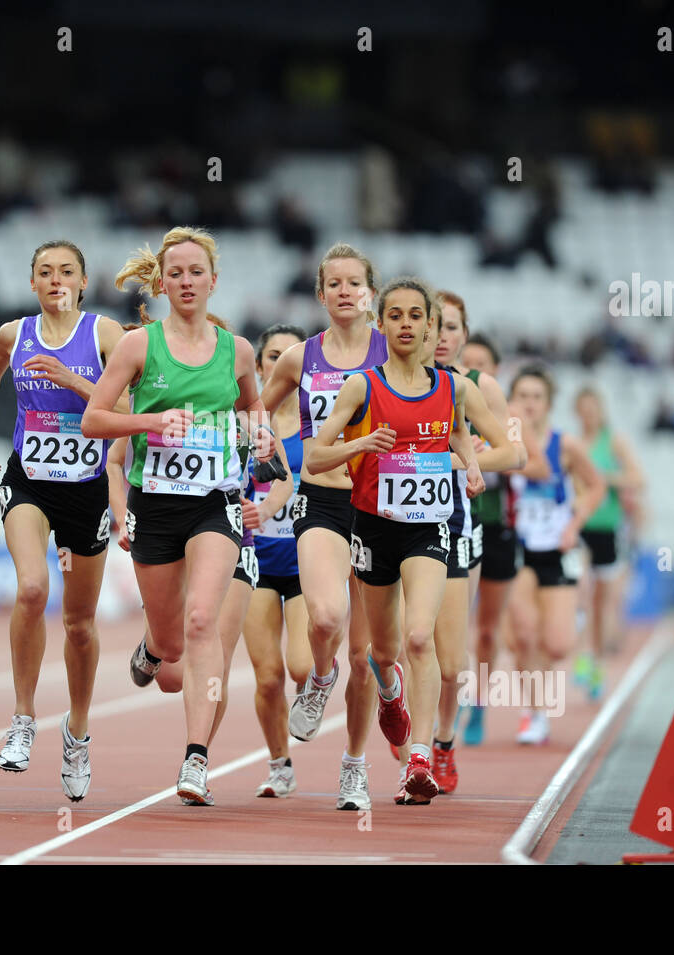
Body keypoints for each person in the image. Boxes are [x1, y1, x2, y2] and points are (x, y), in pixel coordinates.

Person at [307, 277, 520, 803]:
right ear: (382, 325)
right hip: (373, 527)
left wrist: (466, 462)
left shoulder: (456, 388)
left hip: (430, 527)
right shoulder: (362, 386)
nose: (405, 324)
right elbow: (314, 457)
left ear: (430, 326)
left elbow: (508, 451)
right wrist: (362, 443)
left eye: (415, 316)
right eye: (395, 315)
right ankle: (390, 692)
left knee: (420, 638)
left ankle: (419, 758)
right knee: (384, 650)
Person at [81, 226, 273, 805]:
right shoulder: (139, 347)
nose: (187, 282)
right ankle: (150, 645)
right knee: (170, 645)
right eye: (177, 273)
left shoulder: (236, 349)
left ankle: (195, 759)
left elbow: (253, 404)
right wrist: (149, 423)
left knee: (200, 623)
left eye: (197, 272)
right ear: (161, 282)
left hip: (215, 505)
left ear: (214, 281)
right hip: (156, 506)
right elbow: (93, 420)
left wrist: (260, 436)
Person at [0, 240, 124, 802]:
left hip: (88, 491)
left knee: (79, 624)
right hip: (29, 479)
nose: (56, 279)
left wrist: (73, 379)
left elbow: (127, 414)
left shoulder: (107, 336)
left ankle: (76, 731)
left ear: (83, 282)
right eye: (45, 272)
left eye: (67, 272)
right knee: (32, 588)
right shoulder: (14, 334)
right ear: (31, 282)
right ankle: (23, 717)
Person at [386, 296, 540, 795]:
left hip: (455, 527)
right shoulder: (384, 379)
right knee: (401, 642)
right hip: (391, 526)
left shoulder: (477, 387)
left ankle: (443, 743)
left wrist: (461, 462)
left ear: (462, 333)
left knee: (451, 660)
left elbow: (512, 456)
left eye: (451, 327)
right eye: (435, 326)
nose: (442, 336)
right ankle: (417, 747)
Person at [258, 242, 386, 811]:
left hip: (383, 509)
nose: (343, 292)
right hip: (324, 501)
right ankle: (318, 678)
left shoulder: (393, 350)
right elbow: (254, 410)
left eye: (354, 283)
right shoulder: (300, 358)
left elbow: (444, 402)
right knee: (328, 617)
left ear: (371, 292)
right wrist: (263, 448)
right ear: (319, 293)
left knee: (368, 657)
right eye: (333, 283)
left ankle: (354, 767)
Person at [456, 332, 551, 749]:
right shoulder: (441, 395)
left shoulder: (508, 414)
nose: (474, 370)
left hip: (497, 525)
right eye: (468, 361)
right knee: (451, 624)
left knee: (487, 630)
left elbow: (536, 467)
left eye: (482, 364)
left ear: (493, 372)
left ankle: (478, 702)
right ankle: (448, 697)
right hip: (456, 519)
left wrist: (488, 457)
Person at [506, 365, 606, 745]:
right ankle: (534, 712)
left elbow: (596, 487)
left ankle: (572, 618)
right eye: (522, 396)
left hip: (556, 548)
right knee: (524, 634)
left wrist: (574, 525)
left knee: (559, 644)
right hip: (518, 548)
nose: (529, 404)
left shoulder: (565, 445)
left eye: (537, 397)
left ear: (548, 403)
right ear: (511, 401)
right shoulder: (501, 438)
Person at [243, 324, 311, 797]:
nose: (280, 362)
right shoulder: (244, 422)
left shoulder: (320, 421)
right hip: (256, 562)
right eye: (272, 354)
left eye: (290, 355)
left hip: (308, 563)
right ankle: (279, 763)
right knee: (268, 677)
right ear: (262, 366)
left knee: (302, 667)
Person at [573, 386, 645, 699]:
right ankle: (581, 655)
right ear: (577, 411)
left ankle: (596, 663)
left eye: (593, 409)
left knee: (601, 602)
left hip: (606, 528)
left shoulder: (614, 441)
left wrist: (605, 478)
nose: (589, 414)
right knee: (580, 590)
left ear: (601, 411)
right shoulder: (572, 444)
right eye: (583, 409)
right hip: (578, 526)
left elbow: (639, 479)